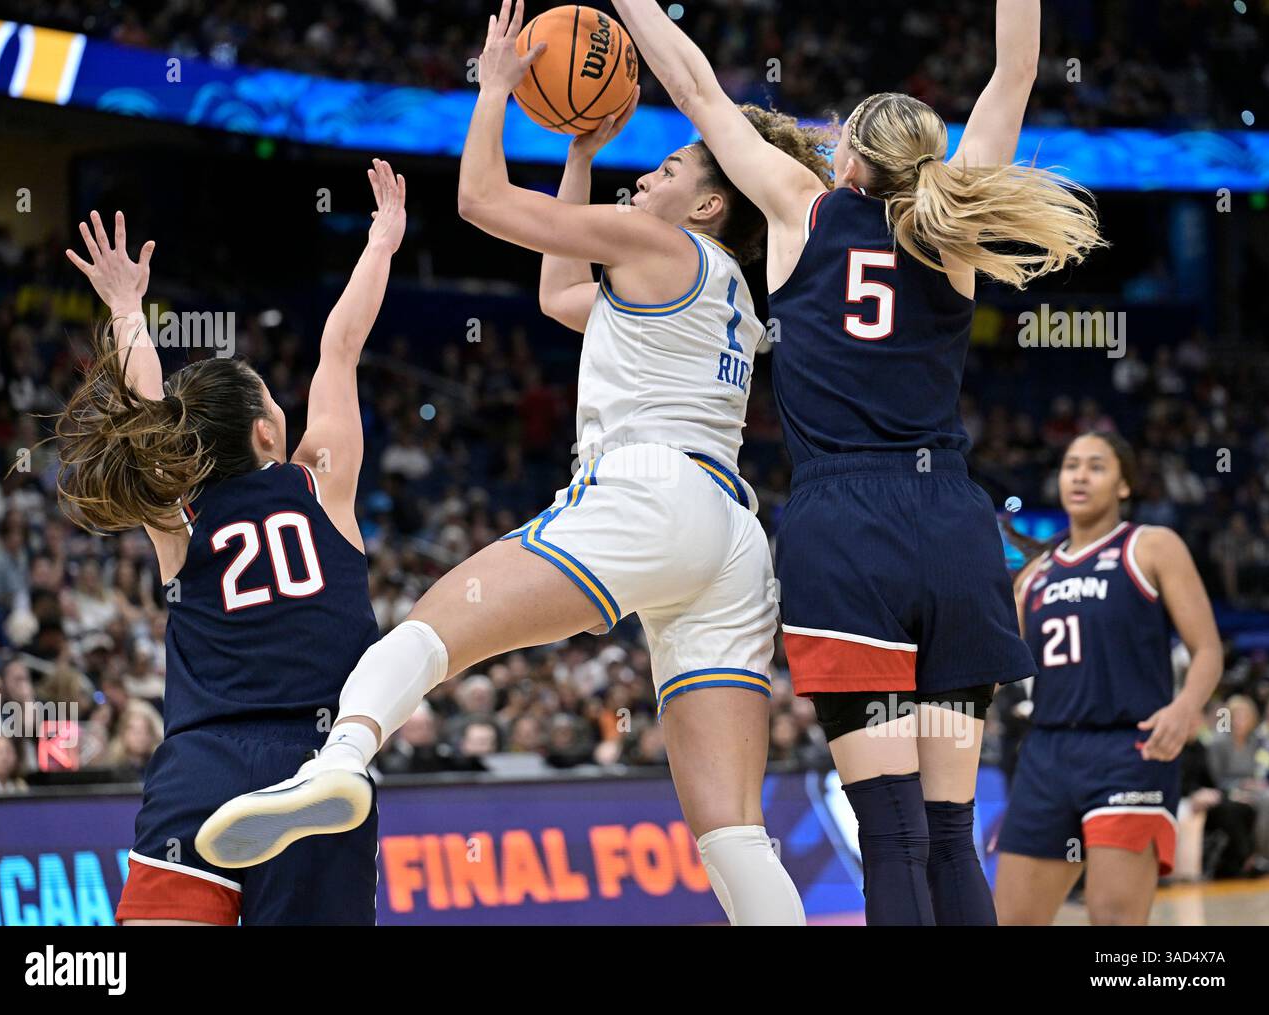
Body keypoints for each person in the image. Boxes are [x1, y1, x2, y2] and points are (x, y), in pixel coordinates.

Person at [196, 0, 834, 927]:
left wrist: (495, 89)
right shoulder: (719, 282)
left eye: (666, 167)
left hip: (645, 495)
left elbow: (483, 203)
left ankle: (337, 764)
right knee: (732, 830)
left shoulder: (662, 244)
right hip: (730, 539)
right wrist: (579, 148)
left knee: (429, 628)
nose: (644, 176)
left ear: (706, 203)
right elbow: (559, 289)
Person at [610, 0, 1104, 925]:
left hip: (845, 530)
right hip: (954, 527)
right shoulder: (951, 224)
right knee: (953, 832)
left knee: (892, 830)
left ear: (850, 159)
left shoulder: (803, 209)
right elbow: (1016, 72)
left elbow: (695, 86)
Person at [55, 158, 407, 924]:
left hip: (199, 768)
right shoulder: (321, 482)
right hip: (316, 767)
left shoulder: (176, 512)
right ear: (266, 429)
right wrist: (381, 243)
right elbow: (340, 348)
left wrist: (126, 307)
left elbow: (145, 409)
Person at [995, 432, 1223, 923]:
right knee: (1010, 919)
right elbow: (995, 665)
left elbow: (1206, 649)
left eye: (1096, 466)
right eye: (1071, 465)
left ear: (1124, 485)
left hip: (1129, 751)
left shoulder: (1152, 546)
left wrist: (1185, 709)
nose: (1079, 475)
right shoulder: (1034, 574)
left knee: (1113, 918)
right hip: (1046, 754)